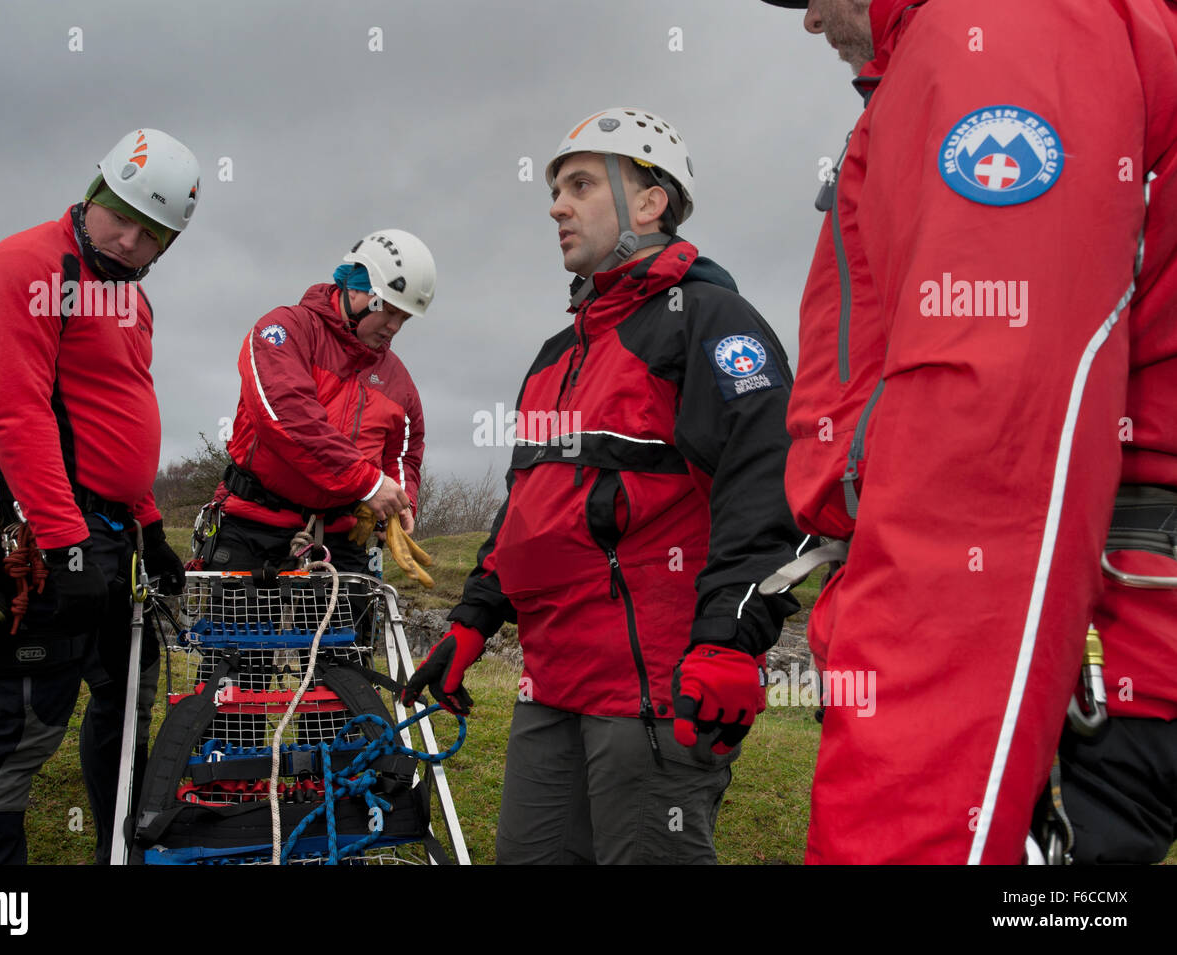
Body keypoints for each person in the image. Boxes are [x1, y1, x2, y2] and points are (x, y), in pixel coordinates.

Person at [761, 0, 1177, 863]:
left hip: (1067, 679)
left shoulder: (1006, 27)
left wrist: (911, 823)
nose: (808, 21)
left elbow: (995, 436)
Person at [403, 107, 802, 864]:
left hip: (651, 693)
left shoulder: (711, 321)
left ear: (650, 203)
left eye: (580, 184)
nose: (555, 204)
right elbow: (527, 508)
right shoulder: (557, 353)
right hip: (549, 687)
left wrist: (731, 639)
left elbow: (773, 478)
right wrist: (471, 618)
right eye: (555, 188)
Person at [0, 128, 199, 864]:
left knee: (126, 708)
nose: (127, 239)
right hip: (33, 527)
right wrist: (65, 544)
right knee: (21, 729)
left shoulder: (130, 301)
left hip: (109, 532)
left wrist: (149, 527)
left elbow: (117, 413)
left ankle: (128, 849)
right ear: (92, 193)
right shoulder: (23, 266)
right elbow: (15, 413)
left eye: (151, 234)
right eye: (119, 213)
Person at [199, 230, 432, 594]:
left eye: (405, 319)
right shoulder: (283, 331)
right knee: (235, 650)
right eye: (388, 311)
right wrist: (368, 484)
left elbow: (403, 454)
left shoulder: (398, 382)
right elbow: (286, 418)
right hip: (252, 528)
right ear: (356, 290)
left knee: (345, 653)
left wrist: (400, 501)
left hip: (341, 542)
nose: (394, 328)